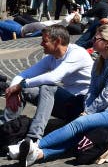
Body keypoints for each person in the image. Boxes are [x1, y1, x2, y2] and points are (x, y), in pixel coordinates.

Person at [18, 25, 108, 167]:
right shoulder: (99, 62)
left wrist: (87, 113)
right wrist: (87, 108)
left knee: (80, 123)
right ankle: (39, 155)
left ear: (107, 42)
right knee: (80, 130)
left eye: (96, 38)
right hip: (105, 108)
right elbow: (92, 90)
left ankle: (35, 145)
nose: (92, 40)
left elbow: (107, 96)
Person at [2, 25, 93, 159]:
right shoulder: (52, 58)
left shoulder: (77, 53)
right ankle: (5, 132)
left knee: (47, 86)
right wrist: (14, 89)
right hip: (66, 103)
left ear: (57, 42)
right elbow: (25, 74)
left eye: (45, 41)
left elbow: (54, 77)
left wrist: (21, 85)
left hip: (82, 105)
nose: (41, 44)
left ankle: (33, 138)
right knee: (23, 89)